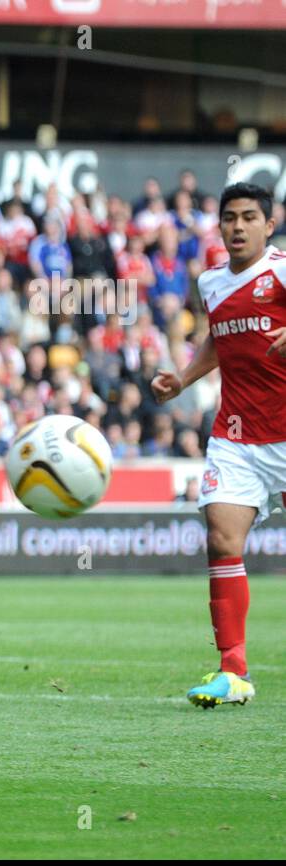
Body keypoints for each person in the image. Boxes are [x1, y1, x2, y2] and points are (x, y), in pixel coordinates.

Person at [152, 182, 286, 708]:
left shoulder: (281, 271)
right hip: (236, 435)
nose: (237, 226)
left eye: (249, 217)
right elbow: (221, 337)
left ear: (268, 225)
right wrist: (183, 380)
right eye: (230, 217)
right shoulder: (210, 282)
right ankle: (233, 672)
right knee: (222, 539)